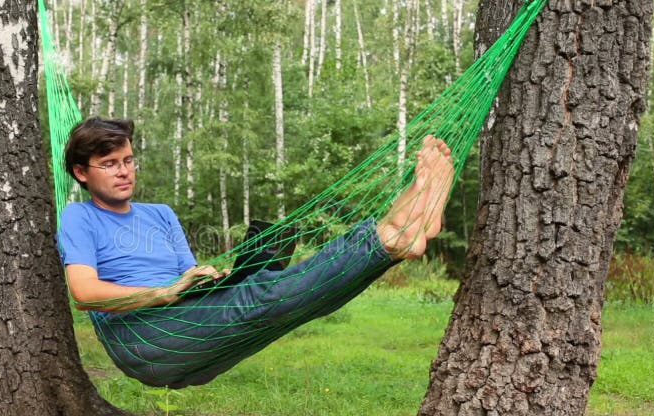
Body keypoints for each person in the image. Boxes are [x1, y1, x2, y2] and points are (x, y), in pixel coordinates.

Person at [57, 117, 454, 387]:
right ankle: (390, 232)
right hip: (144, 338)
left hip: (183, 322)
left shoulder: (160, 214)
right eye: (109, 164)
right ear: (81, 172)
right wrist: (164, 292)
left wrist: (205, 276)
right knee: (259, 295)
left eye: (128, 160)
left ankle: (398, 240)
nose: (125, 171)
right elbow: (84, 294)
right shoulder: (79, 217)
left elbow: (187, 272)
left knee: (282, 295)